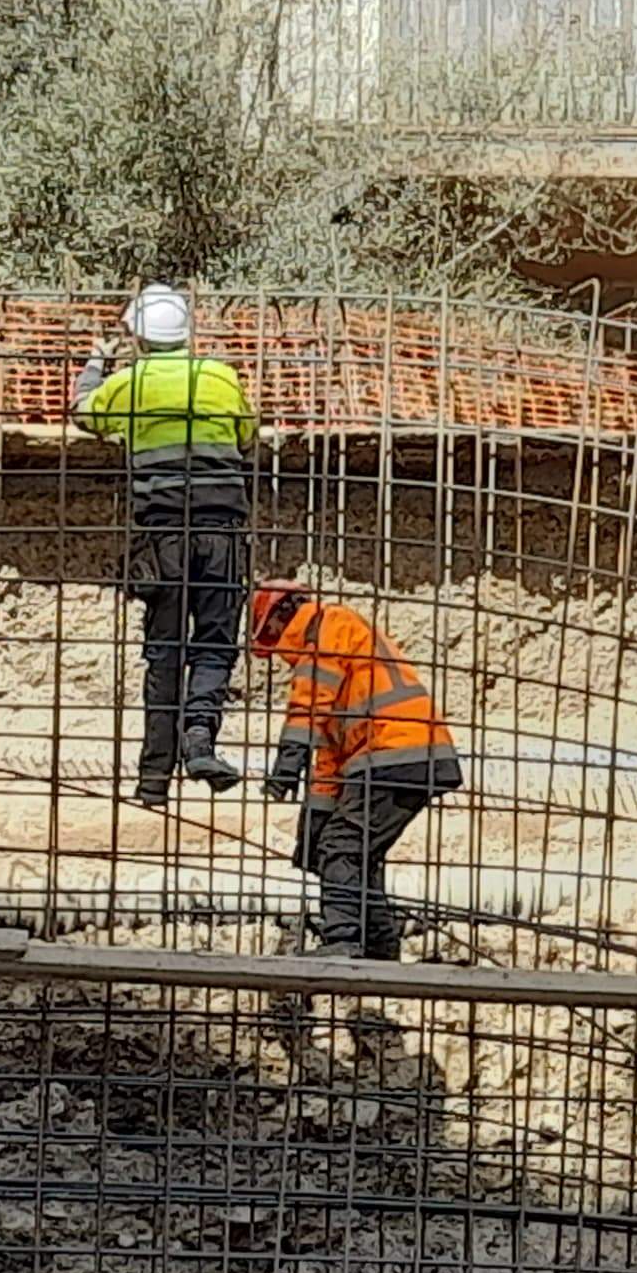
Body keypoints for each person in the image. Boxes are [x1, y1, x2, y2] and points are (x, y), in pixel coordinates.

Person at [72, 283, 254, 806]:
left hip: (164, 535)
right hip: (222, 532)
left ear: (138, 337)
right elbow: (246, 435)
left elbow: (83, 412)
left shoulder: (130, 383)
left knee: (165, 653)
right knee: (216, 642)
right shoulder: (220, 376)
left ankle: (154, 781)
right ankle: (200, 737)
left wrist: (96, 362)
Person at [249, 581, 463, 961]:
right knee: (356, 854)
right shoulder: (335, 651)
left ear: (282, 616)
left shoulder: (328, 625)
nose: (279, 651)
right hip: (397, 754)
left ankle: (342, 942)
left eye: (271, 634)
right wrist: (313, 823)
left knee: (344, 846)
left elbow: (310, 704)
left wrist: (286, 764)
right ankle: (379, 948)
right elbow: (330, 756)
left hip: (396, 751)